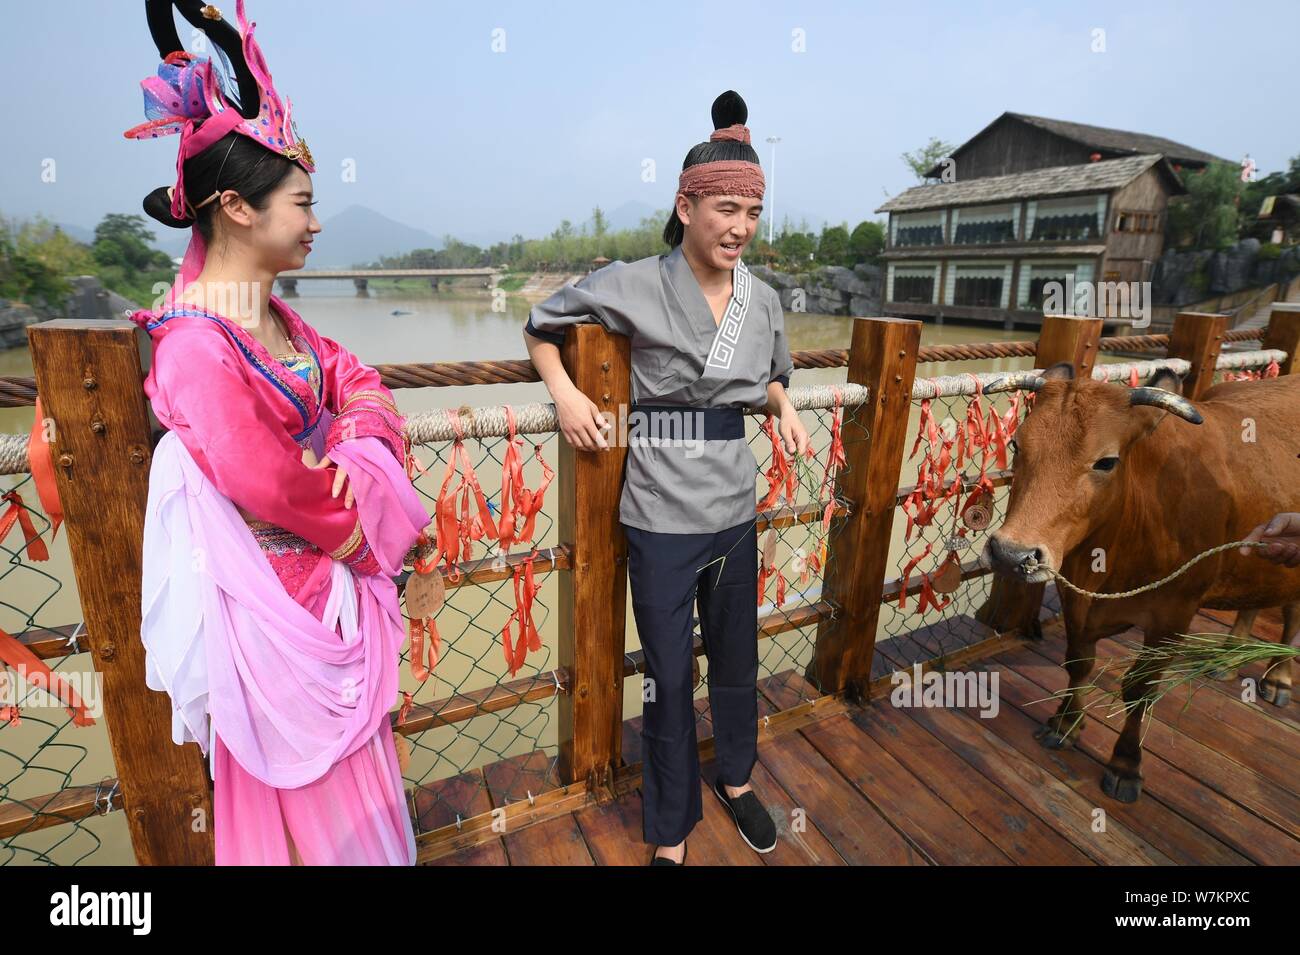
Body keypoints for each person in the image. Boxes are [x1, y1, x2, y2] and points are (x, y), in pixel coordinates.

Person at [127, 0, 427, 865]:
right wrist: (372, 528)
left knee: (355, 797)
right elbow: (273, 483)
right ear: (238, 207)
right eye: (303, 201)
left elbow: (360, 380)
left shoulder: (277, 321)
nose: (317, 220)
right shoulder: (193, 345)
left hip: (322, 599)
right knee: (310, 819)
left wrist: (355, 442)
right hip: (273, 620)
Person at [522, 90, 809, 865]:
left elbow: (774, 374)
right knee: (668, 676)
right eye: (724, 210)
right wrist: (567, 392)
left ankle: (739, 780)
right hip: (658, 510)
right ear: (685, 207)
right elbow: (541, 326)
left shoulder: (765, 299)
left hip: (734, 506)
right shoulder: (631, 282)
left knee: (738, 655)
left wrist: (782, 405)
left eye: (751, 215)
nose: (739, 229)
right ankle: (672, 825)